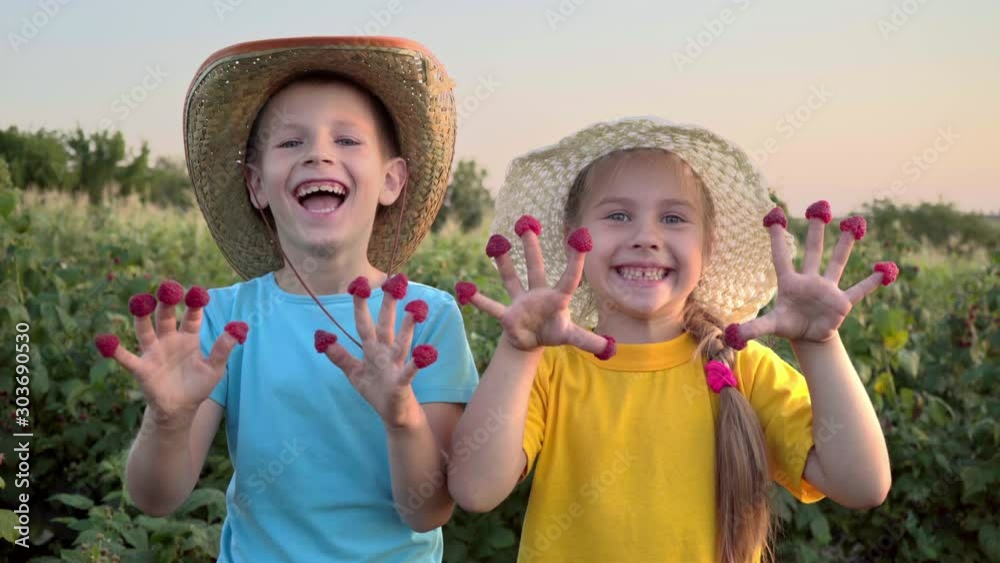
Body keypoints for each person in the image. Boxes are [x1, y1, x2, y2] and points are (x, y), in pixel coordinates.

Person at [94, 36, 478, 562]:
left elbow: (428, 510)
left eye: (347, 140)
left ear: (391, 180)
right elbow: (157, 497)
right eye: (290, 143)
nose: (319, 153)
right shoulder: (225, 321)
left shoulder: (424, 319)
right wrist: (167, 418)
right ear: (257, 186)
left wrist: (402, 416)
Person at [448, 117, 895, 562]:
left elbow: (862, 483)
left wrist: (820, 346)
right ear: (572, 238)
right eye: (618, 215)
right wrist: (518, 351)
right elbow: (474, 488)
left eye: (674, 218)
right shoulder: (547, 369)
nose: (646, 237)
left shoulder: (744, 368)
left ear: (709, 243)